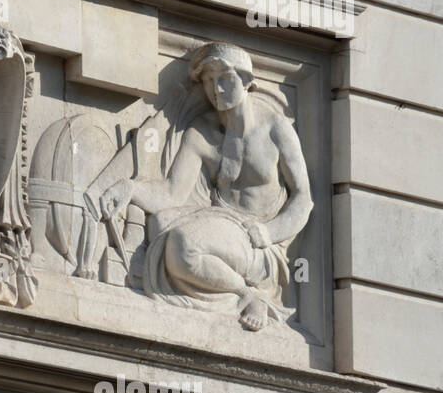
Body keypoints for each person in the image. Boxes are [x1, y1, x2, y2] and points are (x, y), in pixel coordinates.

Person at [97, 43, 312, 330]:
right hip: (221, 222)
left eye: (225, 79)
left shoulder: (275, 128)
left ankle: (249, 295)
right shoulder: (202, 131)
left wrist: (270, 232)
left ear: (247, 81)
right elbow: (172, 193)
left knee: (185, 244)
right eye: (210, 81)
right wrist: (130, 188)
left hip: (256, 241)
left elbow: (303, 198)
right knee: (160, 222)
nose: (216, 89)